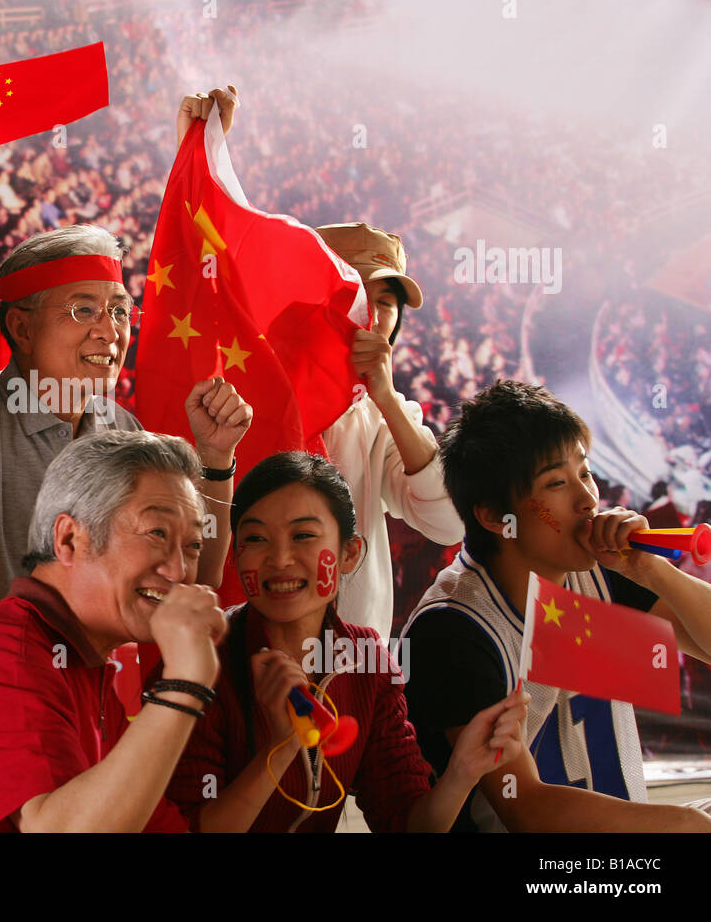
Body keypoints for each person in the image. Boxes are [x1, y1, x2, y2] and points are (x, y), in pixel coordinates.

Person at [0, 88, 252, 789]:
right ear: (21, 328)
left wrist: (214, 465)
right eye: (82, 310)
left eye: (119, 311)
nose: (109, 330)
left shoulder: (125, 439)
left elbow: (191, 585)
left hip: (65, 709)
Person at [0, 431, 225, 832]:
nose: (178, 572)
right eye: (157, 533)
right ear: (68, 539)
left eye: (192, 546)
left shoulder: (84, 665)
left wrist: (284, 742)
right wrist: (185, 683)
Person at [401, 381, 711, 831]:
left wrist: (652, 571)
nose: (587, 499)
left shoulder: (599, 568)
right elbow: (525, 808)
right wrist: (688, 825)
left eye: (585, 473)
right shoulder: (453, 628)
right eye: (556, 483)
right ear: (492, 515)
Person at [166, 452, 527, 831]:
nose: (280, 559)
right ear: (236, 554)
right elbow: (189, 827)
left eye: (303, 535)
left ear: (349, 553)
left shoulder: (366, 663)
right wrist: (281, 749)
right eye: (255, 538)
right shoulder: (201, 662)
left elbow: (406, 822)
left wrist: (463, 771)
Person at [316, 222, 464, 640]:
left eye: (386, 302)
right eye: (357, 294)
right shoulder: (256, 384)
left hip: (351, 657)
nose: (373, 316)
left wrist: (385, 397)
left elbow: (448, 523)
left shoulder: (384, 415)